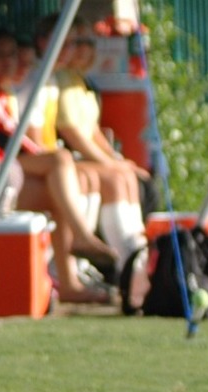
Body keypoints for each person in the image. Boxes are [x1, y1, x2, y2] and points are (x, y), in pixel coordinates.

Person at [0, 27, 117, 304]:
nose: (7, 61)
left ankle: (70, 283)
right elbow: (2, 133)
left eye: (11, 54)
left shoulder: (6, 90)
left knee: (57, 194)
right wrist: (43, 155)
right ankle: (82, 235)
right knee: (60, 160)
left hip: (7, 171)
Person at [53, 16, 149, 260]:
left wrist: (116, 159)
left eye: (89, 41)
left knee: (125, 175)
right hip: (67, 156)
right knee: (112, 179)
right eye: (78, 41)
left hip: (77, 156)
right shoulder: (60, 80)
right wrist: (109, 164)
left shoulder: (81, 81)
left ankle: (136, 253)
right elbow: (71, 132)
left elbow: (92, 131)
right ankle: (124, 260)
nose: (86, 48)